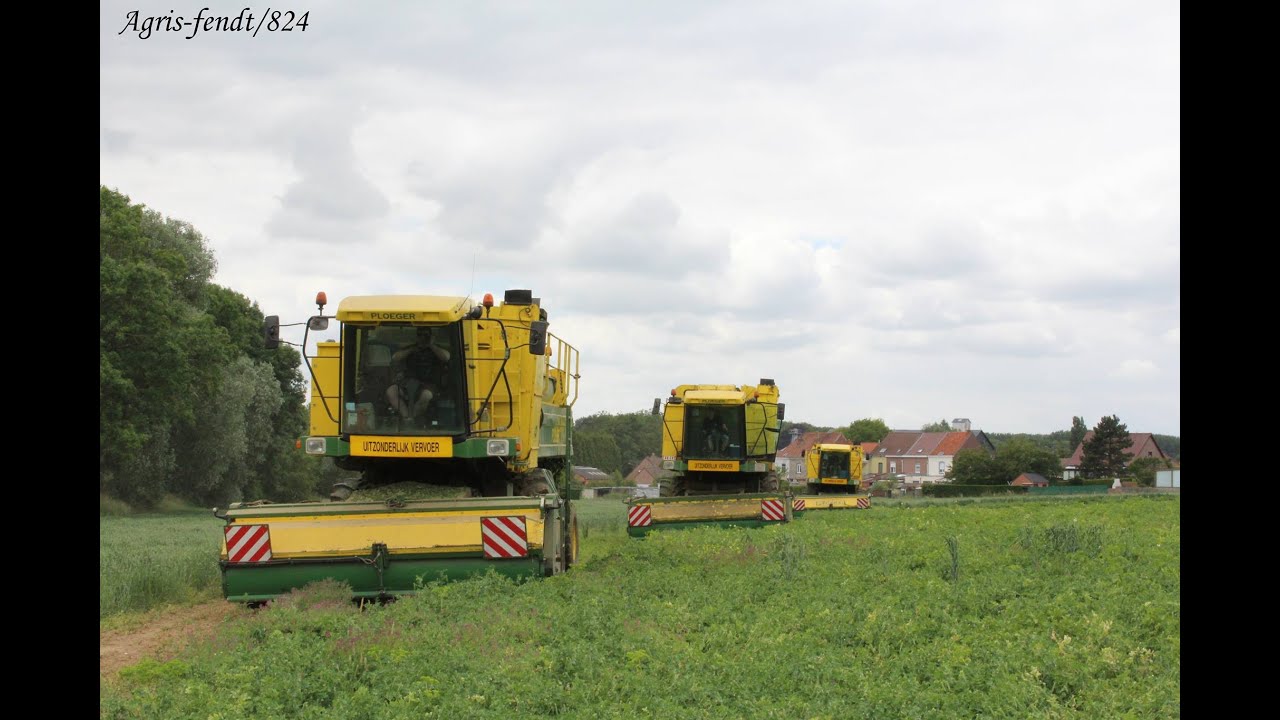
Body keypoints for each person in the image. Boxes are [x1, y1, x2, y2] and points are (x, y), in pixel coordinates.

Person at [386, 327, 450, 422]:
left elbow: (446, 357)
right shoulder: (411, 348)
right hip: (408, 382)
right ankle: (406, 417)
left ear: (431, 336)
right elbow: (395, 358)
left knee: (426, 396)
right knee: (391, 391)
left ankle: (412, 419)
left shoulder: (437, 349)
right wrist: (413, 349)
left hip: (429, 384)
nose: (423, 337)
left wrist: (431, 345)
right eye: (420, 335)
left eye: (426, 335)